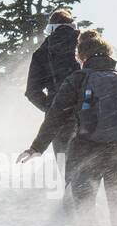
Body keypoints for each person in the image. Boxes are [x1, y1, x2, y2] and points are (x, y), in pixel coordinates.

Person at [18, 30, 117, 226]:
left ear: (80, 57)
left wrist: (36, 148)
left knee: (84, 211)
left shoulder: (77, 79)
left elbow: (55, 116)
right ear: (108, 54)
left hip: (88, 156)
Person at [24, 8, 81, 160]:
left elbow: (32, 91)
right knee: (97, 168)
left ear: (50, 29)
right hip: (91, 116)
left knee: (69, 173)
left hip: (60, 122)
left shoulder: (41, 53)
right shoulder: (85, 45)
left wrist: (53, 108)